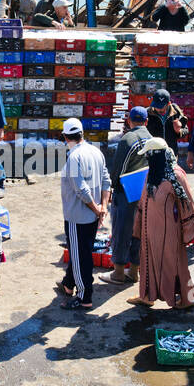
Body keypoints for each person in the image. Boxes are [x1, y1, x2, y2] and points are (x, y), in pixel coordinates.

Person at [132, 138, 194, 310]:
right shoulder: (152, 172)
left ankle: (189, 299)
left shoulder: (176, 175)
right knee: (147, 263)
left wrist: (189, 232)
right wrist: (138, 227)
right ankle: (147, 296)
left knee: (178, 266)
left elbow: (187, 204)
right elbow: (143, 201)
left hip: (170, 234)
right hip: (149, 232)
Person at [56, 118, 111, 311]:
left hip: (77, 216)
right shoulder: (96, 151)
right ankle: (68, 284)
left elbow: (81, 190)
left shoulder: (74, 157)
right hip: (92, 216)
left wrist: (97, 209)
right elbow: (106, 180)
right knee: (80, 252)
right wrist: (102, 207)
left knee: (81, 257)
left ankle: (84, 296)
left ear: (65, 137)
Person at [105, 108, 151, 285]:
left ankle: (118, 273)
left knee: (121, 230)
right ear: (146, 122)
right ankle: (134, 271)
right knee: (138, 231)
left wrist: (113, 188)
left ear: (129, 121)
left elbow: (118, 168)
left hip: (126, 192)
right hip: (145, 193)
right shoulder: (152, 139)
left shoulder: (127, 139)